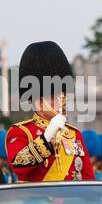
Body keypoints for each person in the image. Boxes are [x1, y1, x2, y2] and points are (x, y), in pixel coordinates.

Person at [6, 40, 94, 182]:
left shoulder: (74, 134)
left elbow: (88, 179)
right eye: (54, 96)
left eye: (63, 94)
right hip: (37, 203)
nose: (62, 100)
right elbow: (19, 165)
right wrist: (46, 137)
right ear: (39, 100)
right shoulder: (21, 132)